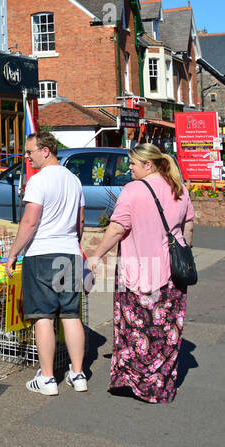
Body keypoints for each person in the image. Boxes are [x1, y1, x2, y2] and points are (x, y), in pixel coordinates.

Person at [88, 142, 195, 404]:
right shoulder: (178, 187)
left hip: (139, 272)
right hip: (173, 274)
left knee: (136, 329)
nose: (129, 168)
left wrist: (95, 256)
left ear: (148, 164)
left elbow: (116, 229)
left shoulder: (134, 190)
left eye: (133, 163)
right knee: (166, 331)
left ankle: (138, 383)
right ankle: (162, 384)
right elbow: (188, 227)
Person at [3, 129, 86, 395]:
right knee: (71, 315)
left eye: (30, 152)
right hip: (69, 251)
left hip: (42, 254)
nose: (27, 157)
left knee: (43, 318)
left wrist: (14, 252)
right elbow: (80, 221)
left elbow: (30, 222)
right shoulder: (74, 180)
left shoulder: (38, 182)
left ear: (45, 151)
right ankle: (78, 373)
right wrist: (74, 244)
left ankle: (48, 378)